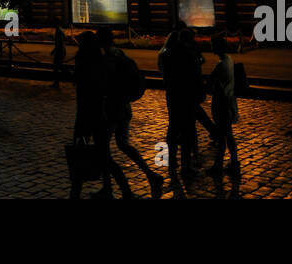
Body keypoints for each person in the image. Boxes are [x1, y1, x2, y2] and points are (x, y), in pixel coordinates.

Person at [99, 28, 163, 199]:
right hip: (125, 106)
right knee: (123, 144)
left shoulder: (107, 60)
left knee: (103, 148)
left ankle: (109, 188)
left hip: (113, 108)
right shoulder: (120, 54)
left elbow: (106, 85)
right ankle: (151, 174)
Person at [69, 30, 132, 198]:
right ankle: (124, 190)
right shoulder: (101, 60)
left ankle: (75, 193)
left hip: (85, 115)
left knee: (79, 154)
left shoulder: (84, 61)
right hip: (100, 115)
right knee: (105, 157)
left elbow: (81, 85)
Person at [159, 26, 200, 180]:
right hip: (187, 96)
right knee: (188, 131)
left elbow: (165, 75)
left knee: (173, 128)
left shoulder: (167, 54)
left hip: (172, 95)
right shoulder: (189, 54)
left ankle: (171, 161)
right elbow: (196, 75)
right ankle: (186, 166)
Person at [208, 34, 241, 182]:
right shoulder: (229, 60)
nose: (211, 47)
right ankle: (233, 162)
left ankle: (220, 165)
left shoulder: (220, 65)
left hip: (221, 104)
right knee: (228, 135)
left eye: (213, 45)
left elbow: (214, 85)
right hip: (229, 101)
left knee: (223, 137)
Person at [50, 19, 67, 88]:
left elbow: (58, 43)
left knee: (56, 67)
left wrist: (54, 50)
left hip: (59, 51)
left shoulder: (58, 31)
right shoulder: (61, 30)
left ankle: (57, 83)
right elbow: (64, 39)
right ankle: (57, 82)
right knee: (59, 66)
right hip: (62, 50)